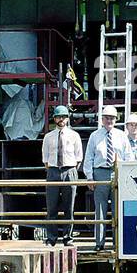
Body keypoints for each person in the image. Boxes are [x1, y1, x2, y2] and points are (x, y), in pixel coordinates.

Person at [82, 105, 128, 250]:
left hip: (117, 173)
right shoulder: (94, 136)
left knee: (117, 210)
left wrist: (125, 176)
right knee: (100, 210)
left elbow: (128, 157)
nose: (109, 120)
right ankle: (99, 243)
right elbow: (88, 157)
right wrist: (90, 177)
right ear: (102, 119)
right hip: (100, 173)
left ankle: (117, 243)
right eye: (107, 118)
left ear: (116, 119)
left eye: (112, 118)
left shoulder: (122, 136)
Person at [41, 105, 82, 244]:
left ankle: (68, 237)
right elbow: (45, 159)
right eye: (58, 117)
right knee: (51, 206)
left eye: (63, 117)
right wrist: (53, 170)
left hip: (69, 170)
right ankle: (51, 238)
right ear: (54, 118)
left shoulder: (74, 135)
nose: (61, 119)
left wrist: (70, 170)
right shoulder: (48, 137)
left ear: (67, 118)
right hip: (53, 171)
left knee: (69, 207)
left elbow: (78, 158)